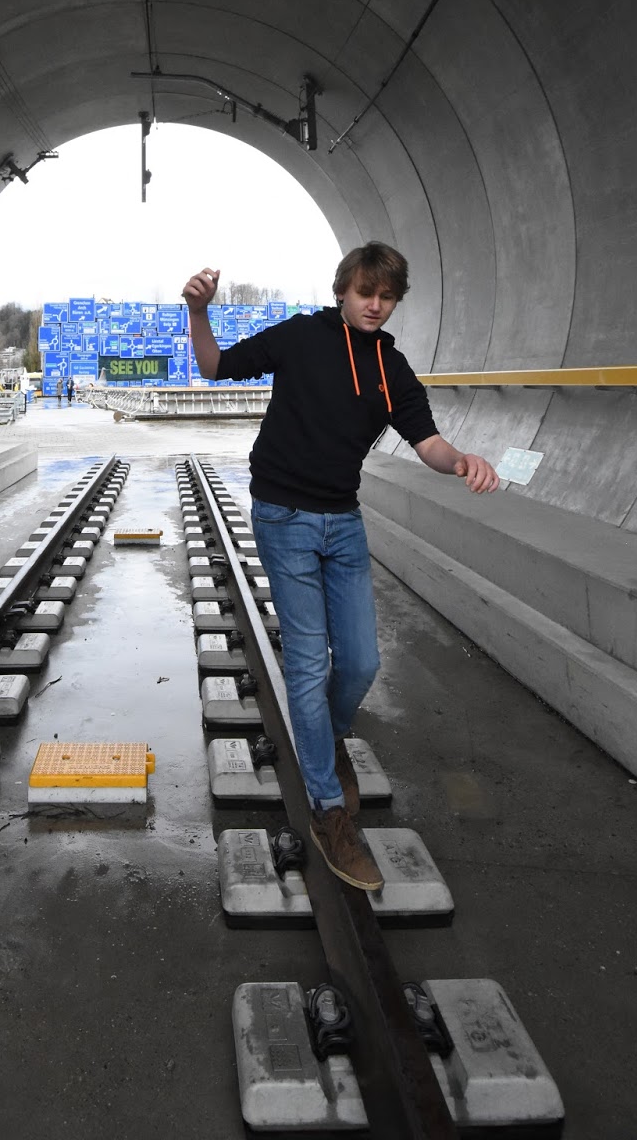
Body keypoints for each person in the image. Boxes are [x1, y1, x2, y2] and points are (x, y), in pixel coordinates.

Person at [182, 244, 498, 892]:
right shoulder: (302, 337)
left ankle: (323, 740)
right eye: (364, 293)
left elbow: (428, 441)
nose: (375, 305)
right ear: (343, 292)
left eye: (387, 296)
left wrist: (462, 460)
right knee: (306, 662)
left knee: (359, 663)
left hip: (342, 520)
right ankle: (329, 811)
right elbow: (215, 366)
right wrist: (198, 312)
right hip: (283, 516)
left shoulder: (390, 367)